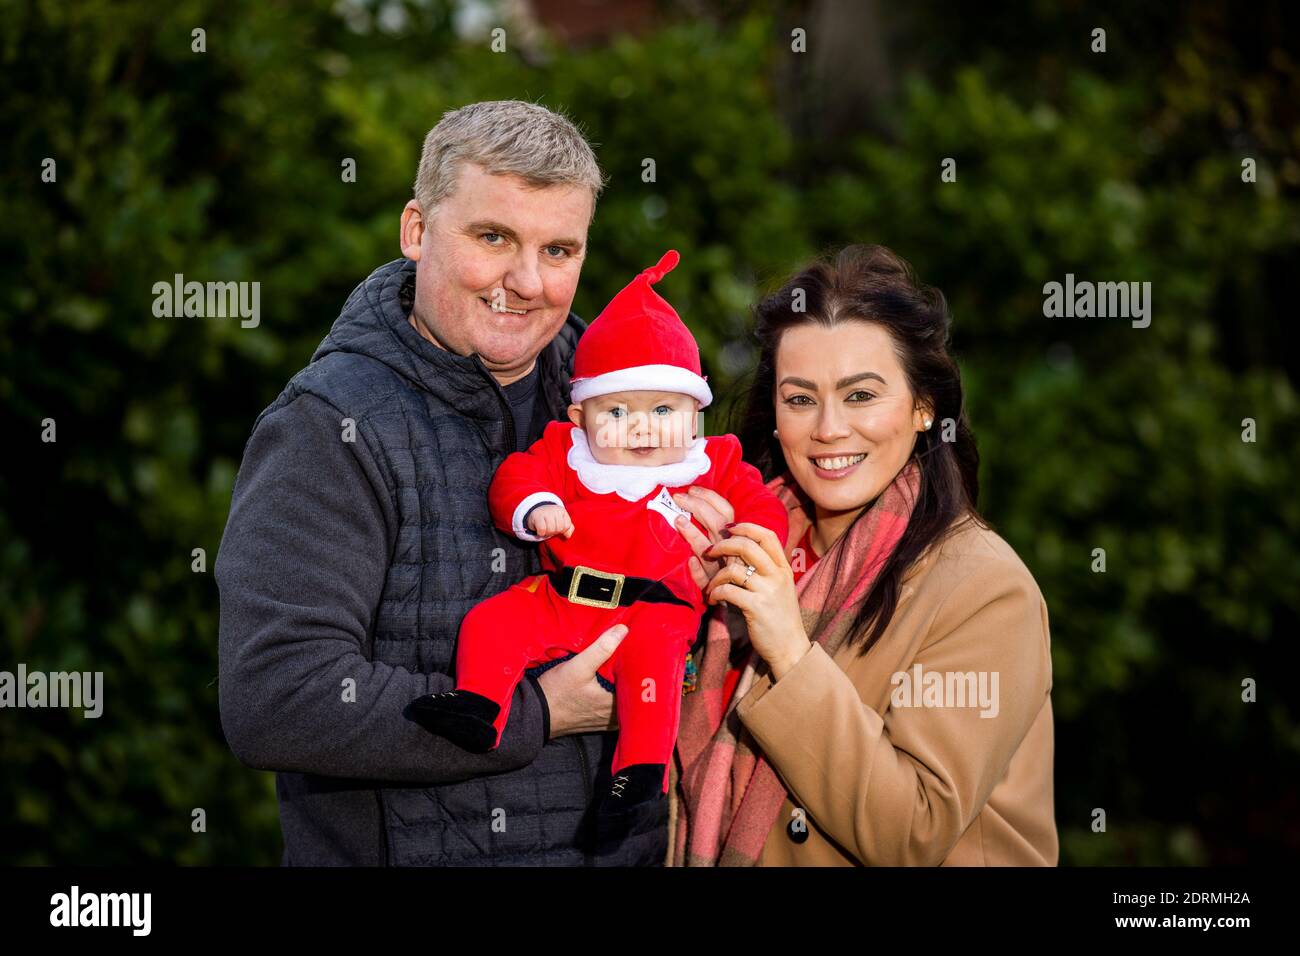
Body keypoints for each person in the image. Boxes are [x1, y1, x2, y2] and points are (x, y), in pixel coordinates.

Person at [215, 100, 664, 866]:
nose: (527, 281)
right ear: (417, 230)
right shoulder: (331, 426)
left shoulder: (629, 397)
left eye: (558, 250)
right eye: (494, 238)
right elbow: (277, 697)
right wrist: (536, 713)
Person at [666, 244, 1059, 865]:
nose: (828, 428)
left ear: (923, 407)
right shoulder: (739, 545)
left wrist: (791, 655)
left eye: (860, 396)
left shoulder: (985, 589)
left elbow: (912, 832)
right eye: (800, 399)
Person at [409, 250, 788, 850]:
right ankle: (480, 705)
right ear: (581, 415)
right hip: (564, 596)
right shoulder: (567, 451)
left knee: (653, 680)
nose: (641, 427)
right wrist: (535, 506)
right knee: (494, 622)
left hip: (654, 610)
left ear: (695, 414)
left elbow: (763, 509)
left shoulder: (713, 463)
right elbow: (515, 477)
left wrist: (743, 545)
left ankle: (636, 780)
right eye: (617, 411)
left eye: (662, 409)